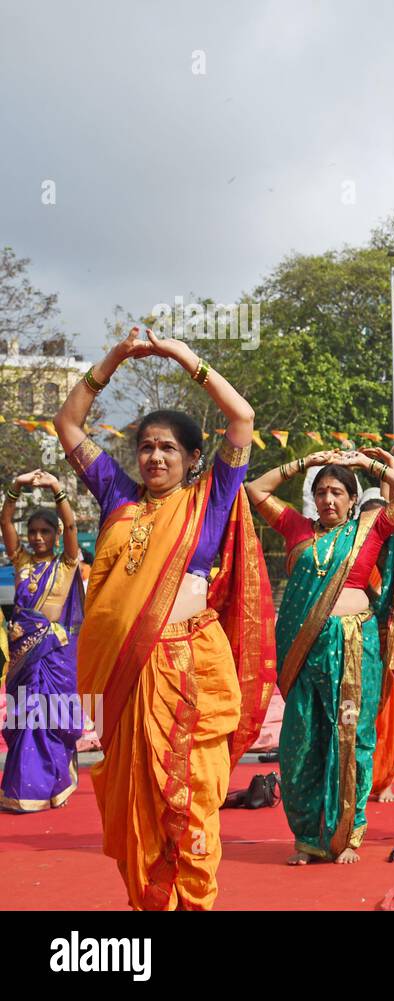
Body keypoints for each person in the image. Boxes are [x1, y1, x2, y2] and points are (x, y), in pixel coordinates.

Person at [54, 325, 275, 910]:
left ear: (193, 458)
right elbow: (68, 425)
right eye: (147, 446)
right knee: (134, 805)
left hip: (188, 671)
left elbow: (244, 418)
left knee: (193, 800)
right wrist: (116, 357)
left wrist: (182, 355)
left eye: (168, 448)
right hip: (126, 677)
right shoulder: (117, 499)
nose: (154, 456)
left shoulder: (210, 499)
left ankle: (194, 903)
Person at [245, 447, 394, 864]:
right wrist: (303, 464)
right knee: (302, 741)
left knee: (351, 738)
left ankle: (347, 834)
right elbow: (255, 489)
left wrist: (369, 465)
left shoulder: (370, 528)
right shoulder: (296, 529)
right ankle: (307, 838)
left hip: (354, 650)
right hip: (305, 656)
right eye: (321, 492)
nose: (328, 499)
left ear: (351, 499)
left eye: (337, 492)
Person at [0, 470, 84, 812]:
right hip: (23, 657)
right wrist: (15, 489)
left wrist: (57, 490)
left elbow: (74, 527)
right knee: (23, 722)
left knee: (50, 718)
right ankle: (22, 787)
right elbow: (5, 521)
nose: (37, 538)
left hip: (53, 656)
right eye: (32, 532)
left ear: (56, 535)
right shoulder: (20, 562)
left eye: (44, 532)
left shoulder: (65, 564)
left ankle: (53, 785)